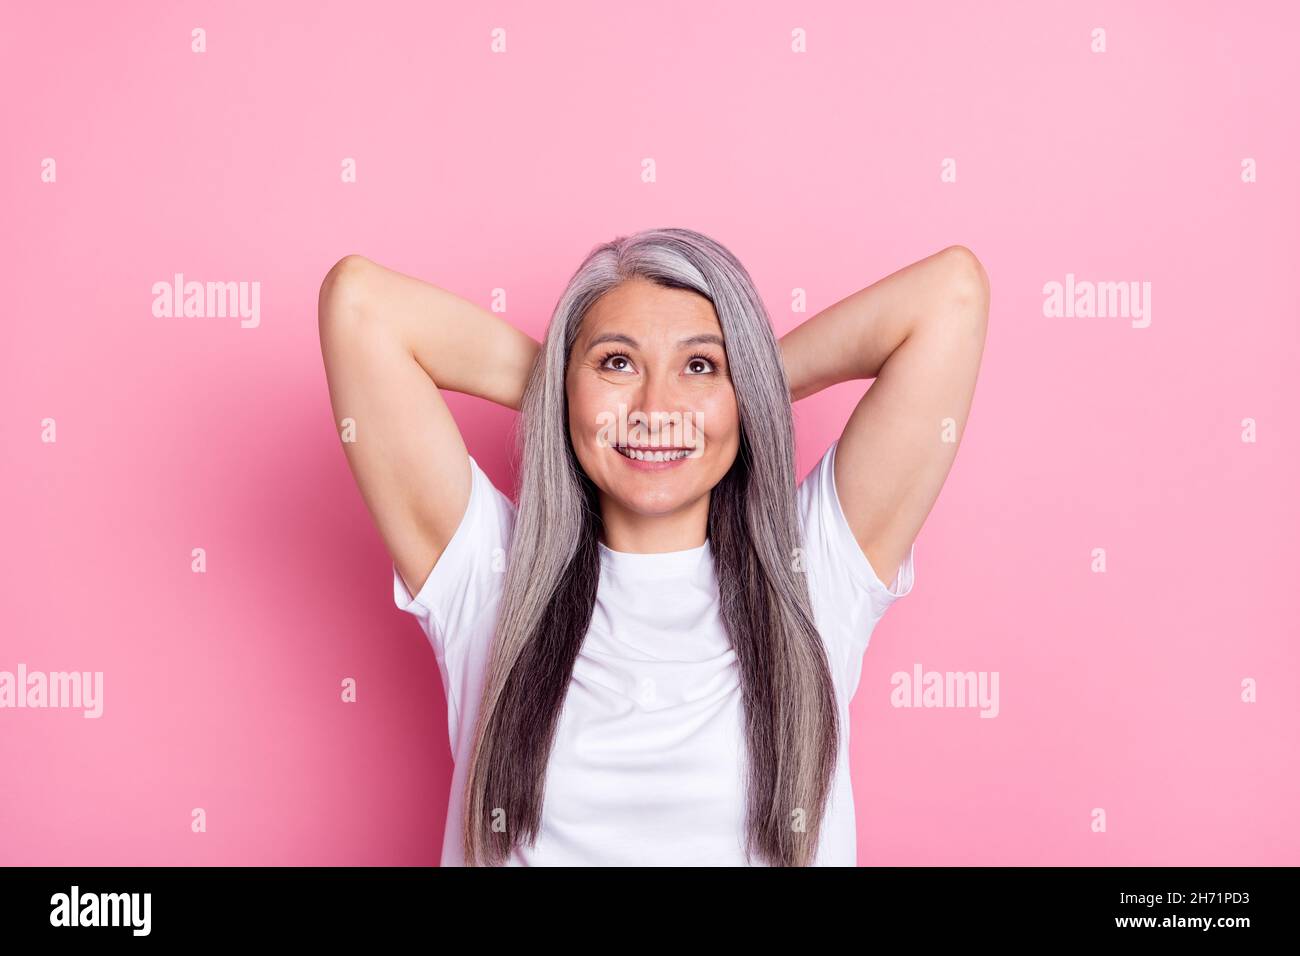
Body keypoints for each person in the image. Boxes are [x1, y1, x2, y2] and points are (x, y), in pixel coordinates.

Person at [317, 227, 989, 866]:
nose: (656, 407)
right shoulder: (489, 574)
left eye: (699, 365)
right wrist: (568, 392)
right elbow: (360, 305)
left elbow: (950, 296)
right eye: (616, 362)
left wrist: (745, 385)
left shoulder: (814, 568)